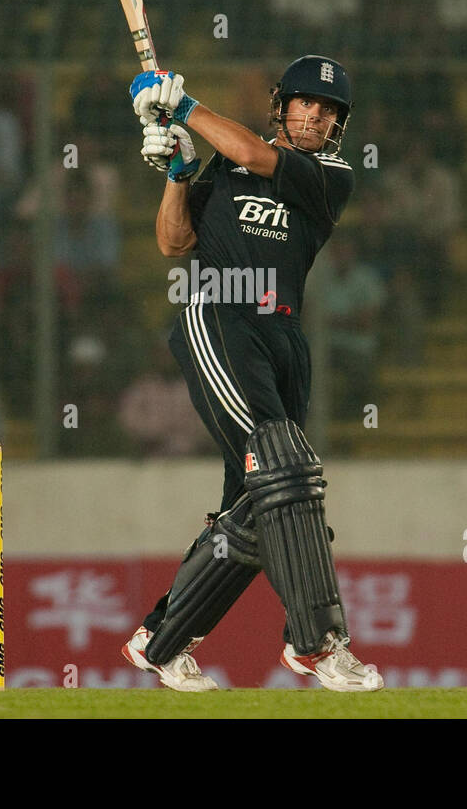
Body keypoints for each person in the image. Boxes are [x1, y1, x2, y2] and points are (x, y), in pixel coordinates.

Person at [118, 56, 384, 692]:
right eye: (305, 103)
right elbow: (174, 242)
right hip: (220, 314)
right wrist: (179, 173)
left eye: (329, 110)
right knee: (286, 468)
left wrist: (185, 111)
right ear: (281, 107)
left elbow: (253, 154)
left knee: (259, 501)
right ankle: (318, 644)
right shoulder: (226, 159)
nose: (316, 114)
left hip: (283, 337)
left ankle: (163, 640)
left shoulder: (329, 175)